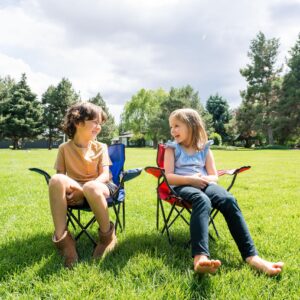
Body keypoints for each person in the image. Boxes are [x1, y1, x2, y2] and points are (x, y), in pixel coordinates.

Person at [164, 108, 284, 276]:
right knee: (202, 200)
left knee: (228, 199)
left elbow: (214, 177)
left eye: (177, 125)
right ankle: (200, 258)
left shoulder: (204, 148)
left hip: (204, 182)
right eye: (171, 127)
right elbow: (169, 177)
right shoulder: (171, 148)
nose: (172, 130)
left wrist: (204, 179)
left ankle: (252, 257)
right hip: (182, 185)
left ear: (191, 125)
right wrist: (192, 179)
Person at [48, 102, 117, 268]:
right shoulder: (64, 148)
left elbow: (105, 175)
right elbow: (61, 176)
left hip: (101, 187)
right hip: (76, 189)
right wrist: (77, 190)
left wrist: (85, 190)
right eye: (95, 122)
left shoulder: (101, 147)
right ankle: (64, 242)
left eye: (100, 124)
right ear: (78, 122)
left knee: (91, 187)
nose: (98, 127)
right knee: (55, 180)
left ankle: (107, 237)